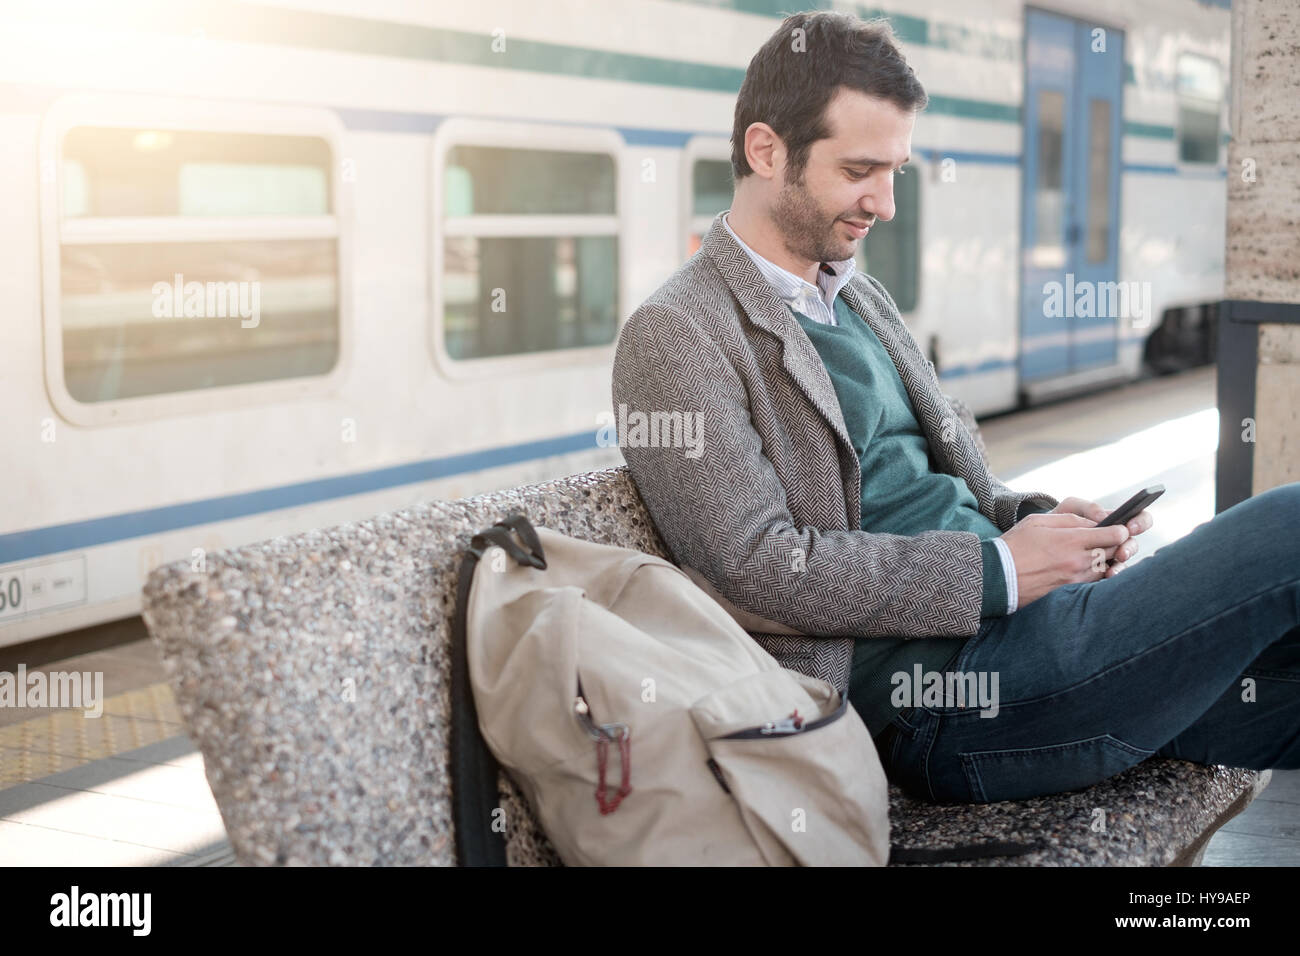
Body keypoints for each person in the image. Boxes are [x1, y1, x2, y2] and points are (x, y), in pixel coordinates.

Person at [610, 10, 1300, 803]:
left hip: (1028, 637)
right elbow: (759, 567)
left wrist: (1040, 528)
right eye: (862, 169)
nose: (886, 203)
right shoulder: (676, 334)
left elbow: (943, 496)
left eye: (896, 170)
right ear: (767, 151)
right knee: (1287, 527)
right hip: (939, 703)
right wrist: (998, 571)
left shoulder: (859, 296)